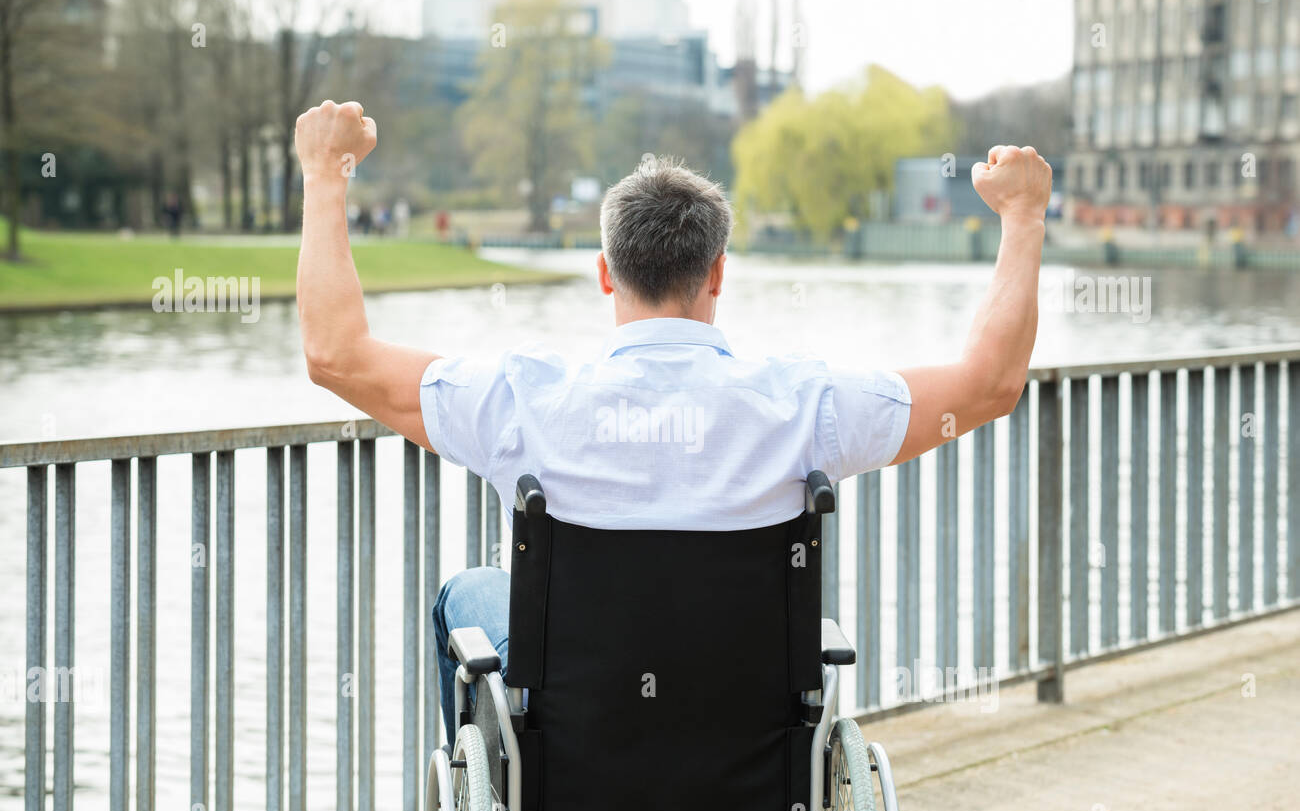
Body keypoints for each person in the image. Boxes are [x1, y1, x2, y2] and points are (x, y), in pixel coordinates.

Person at [293, 99, 1051, 742]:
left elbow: (336, 353)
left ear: (603, 273)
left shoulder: (521, 401)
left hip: (580, 740)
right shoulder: (800, 406)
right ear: (719, 272)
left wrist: (328, 173)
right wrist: (1022, 216)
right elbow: (990, 384)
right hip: (739, 747)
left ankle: (509, 795)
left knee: (471, 591)